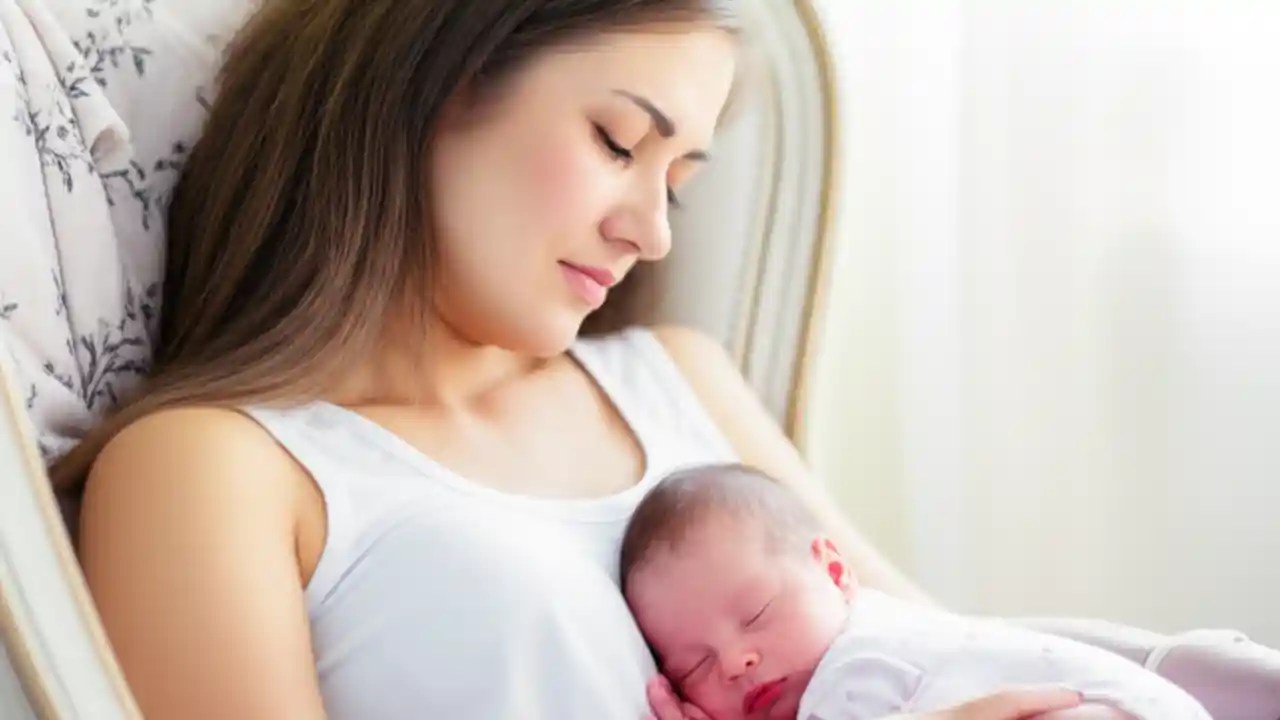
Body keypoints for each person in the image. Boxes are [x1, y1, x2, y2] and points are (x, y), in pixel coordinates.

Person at [58, 1, 1087, 718]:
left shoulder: (677, 381)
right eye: (616, 141)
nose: (653, 232)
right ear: (430, 86)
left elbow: (937, 646)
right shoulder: (210, 469)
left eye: (676, 181)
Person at [620, 464, 1211, 720]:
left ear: (833, 571)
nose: (734, 661)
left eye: (757, 613)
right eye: (692, 666)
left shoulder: (852, 670)